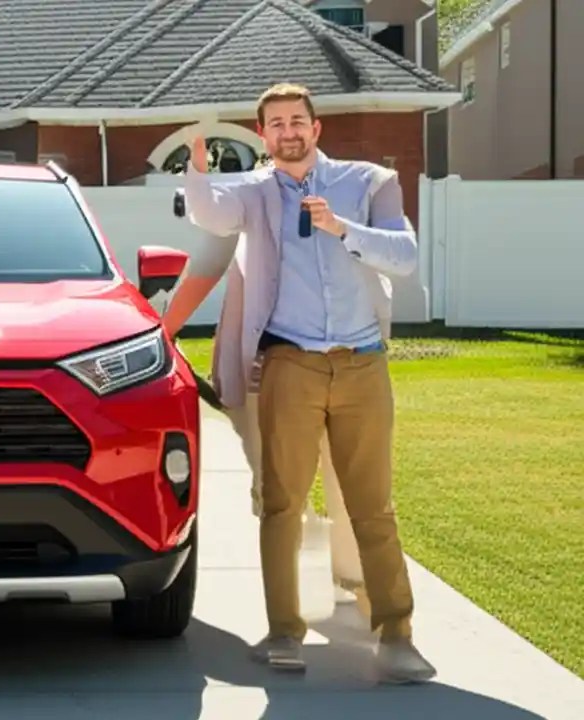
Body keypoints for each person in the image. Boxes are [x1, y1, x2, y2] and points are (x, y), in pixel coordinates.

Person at [181, 82, 436, 684]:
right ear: (263, 134)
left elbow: (404, 255)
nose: (288, 131)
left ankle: (397, 636)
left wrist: (342, 228)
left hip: (361, 364)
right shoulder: (255, 191)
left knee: (373, 505)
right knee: (281, 504)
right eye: (276, 124)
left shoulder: (367, 182)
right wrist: (197, 171)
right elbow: (210, 212)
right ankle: (284, 632)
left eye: (297, 120)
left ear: (315, 128)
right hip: (290, 364)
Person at [162, 223, 371, 619]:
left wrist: (163, 329)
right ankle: (334, 583)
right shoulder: (260, 200)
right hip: (294, 362)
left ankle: (337, 580)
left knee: (302, 481)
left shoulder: (285, 199)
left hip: (307, 361)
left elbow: (211, 259)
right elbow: (211, 258)